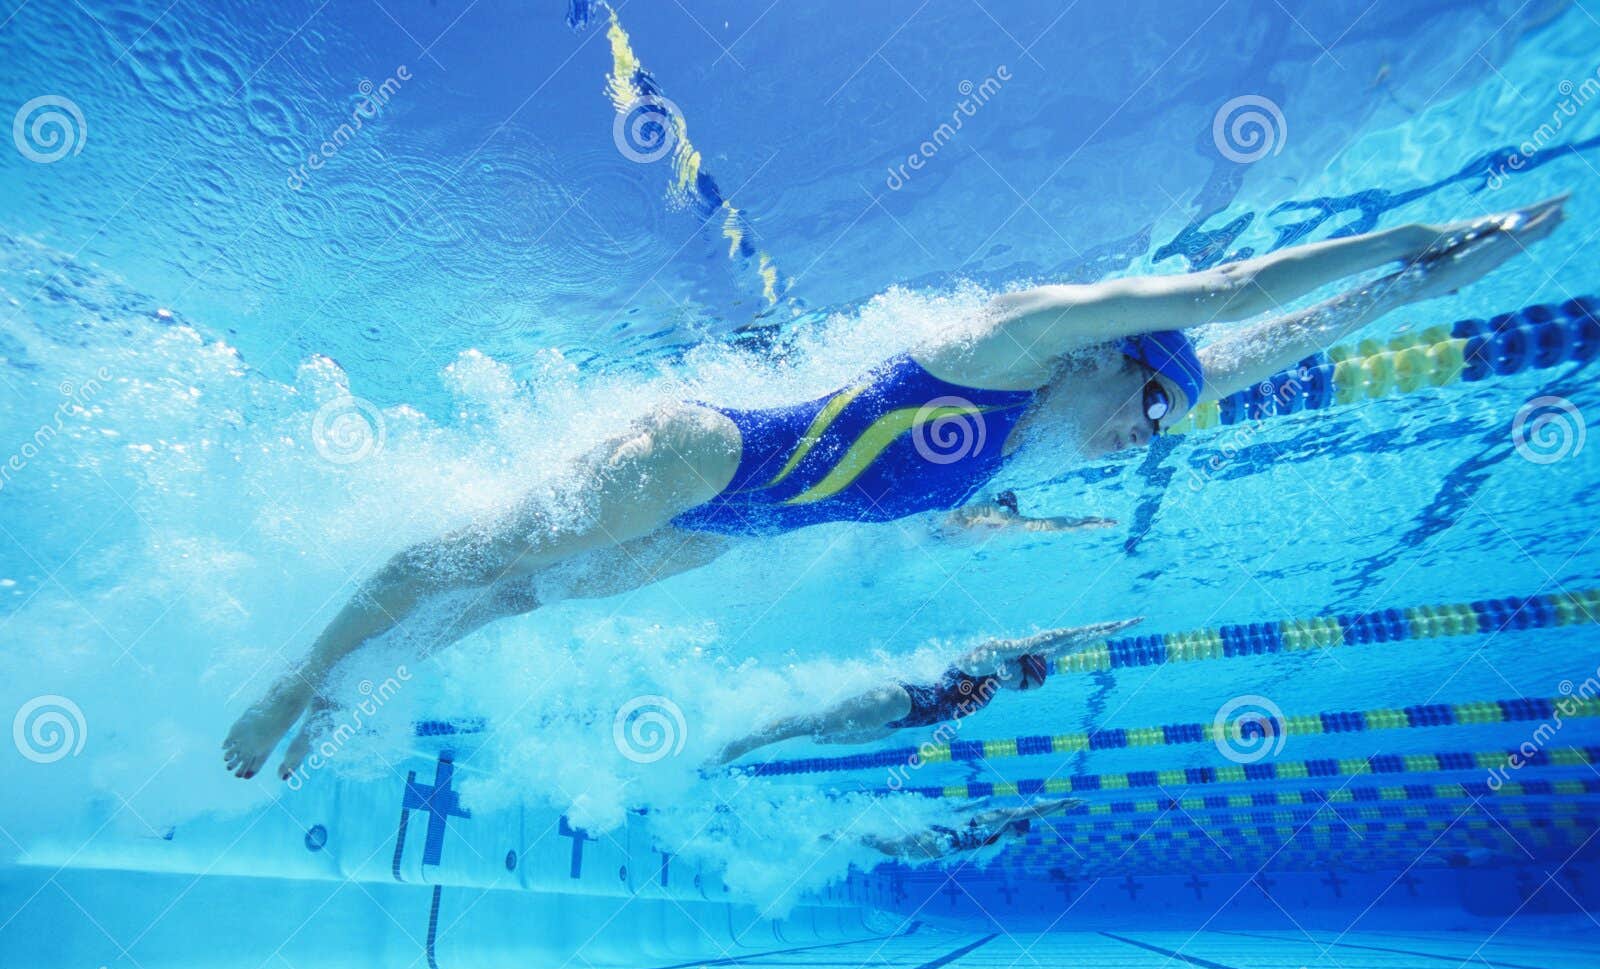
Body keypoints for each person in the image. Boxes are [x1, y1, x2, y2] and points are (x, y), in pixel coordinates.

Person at [223, 196, 1564, 780]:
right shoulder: (1014, 339)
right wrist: (1401, 235)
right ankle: (299, 673)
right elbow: (1228, 296)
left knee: (505, 605)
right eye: (1149, 405)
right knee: (456, 562)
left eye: (1165, 425)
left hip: (716, 528)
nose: (1145, 435)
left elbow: (1266, 344)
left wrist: (1431, 292)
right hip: (700, 456)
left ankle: (360, 686)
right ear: (1108, 359)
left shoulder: (1061, 428)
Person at [710, 618, 1139, 765]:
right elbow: (1045, 641)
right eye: (1026, 682)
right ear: (1020, 664)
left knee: (820, 733)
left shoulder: (992, 686)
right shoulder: (986, 659)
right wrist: (1100, 632)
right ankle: (739, 744)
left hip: (896, 722)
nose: (1022, 690)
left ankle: (746, 733)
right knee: (812, 725)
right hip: (898, 701)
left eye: (1027, 689)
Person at [857, 799, 1077, 862]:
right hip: (933, 843)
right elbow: (1031, 811)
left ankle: (847, 837)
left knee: (883, 846)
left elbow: (955, 814)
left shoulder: (993, 832)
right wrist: (1061, 804)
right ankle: (846, 837)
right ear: (1015, 826)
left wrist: (967, 806)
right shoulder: (998, 820)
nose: (1016, 839)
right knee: (884, 846)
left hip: (934, 843)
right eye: (1019, 834)